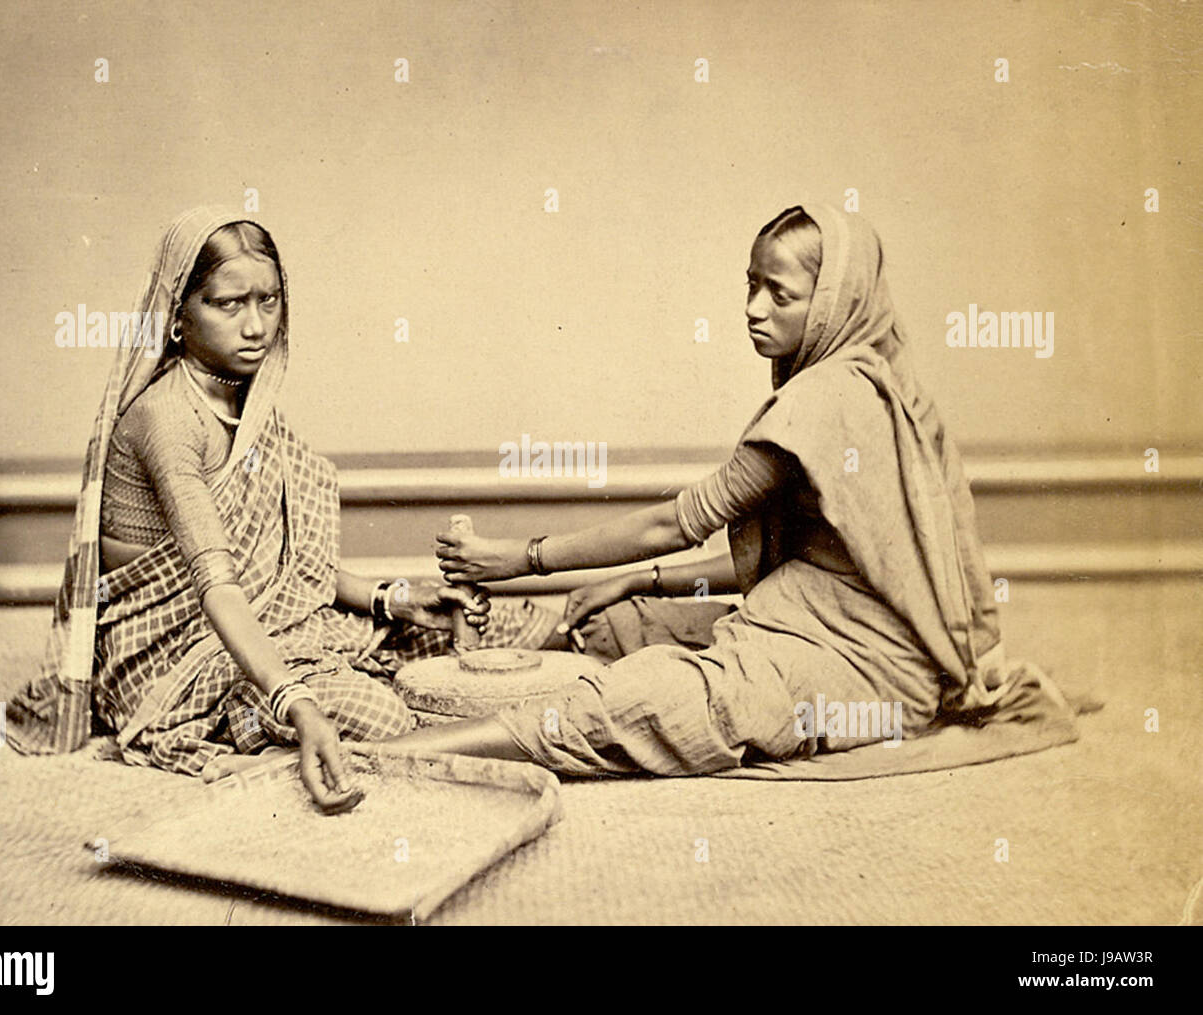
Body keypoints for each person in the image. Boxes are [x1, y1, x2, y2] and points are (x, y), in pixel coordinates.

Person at [385, 203, 1050, 775]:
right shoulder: (868, 375)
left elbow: (677, 523)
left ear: (832, 304)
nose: (753, 309)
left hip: (873, 668)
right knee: (613, 623)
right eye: (751, 285)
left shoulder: (832, 401)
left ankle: (398, 754)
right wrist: (639, 580)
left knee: (655, 701)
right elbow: (805, 563)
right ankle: (466, 687)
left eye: (779, 295)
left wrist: (520, 558)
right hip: (805, 615)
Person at [7, 206, 557, 808]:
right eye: (228, 304)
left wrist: (392, 599)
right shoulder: (166, 419)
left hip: (261, 617)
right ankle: (261, 721)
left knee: (507, 630)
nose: (255, 326)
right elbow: (219, 585)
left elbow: (286, 563)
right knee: (381, 715)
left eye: (268, 301)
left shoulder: (245, 401)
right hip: (176, 653)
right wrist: (295, 702)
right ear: (177, 317)